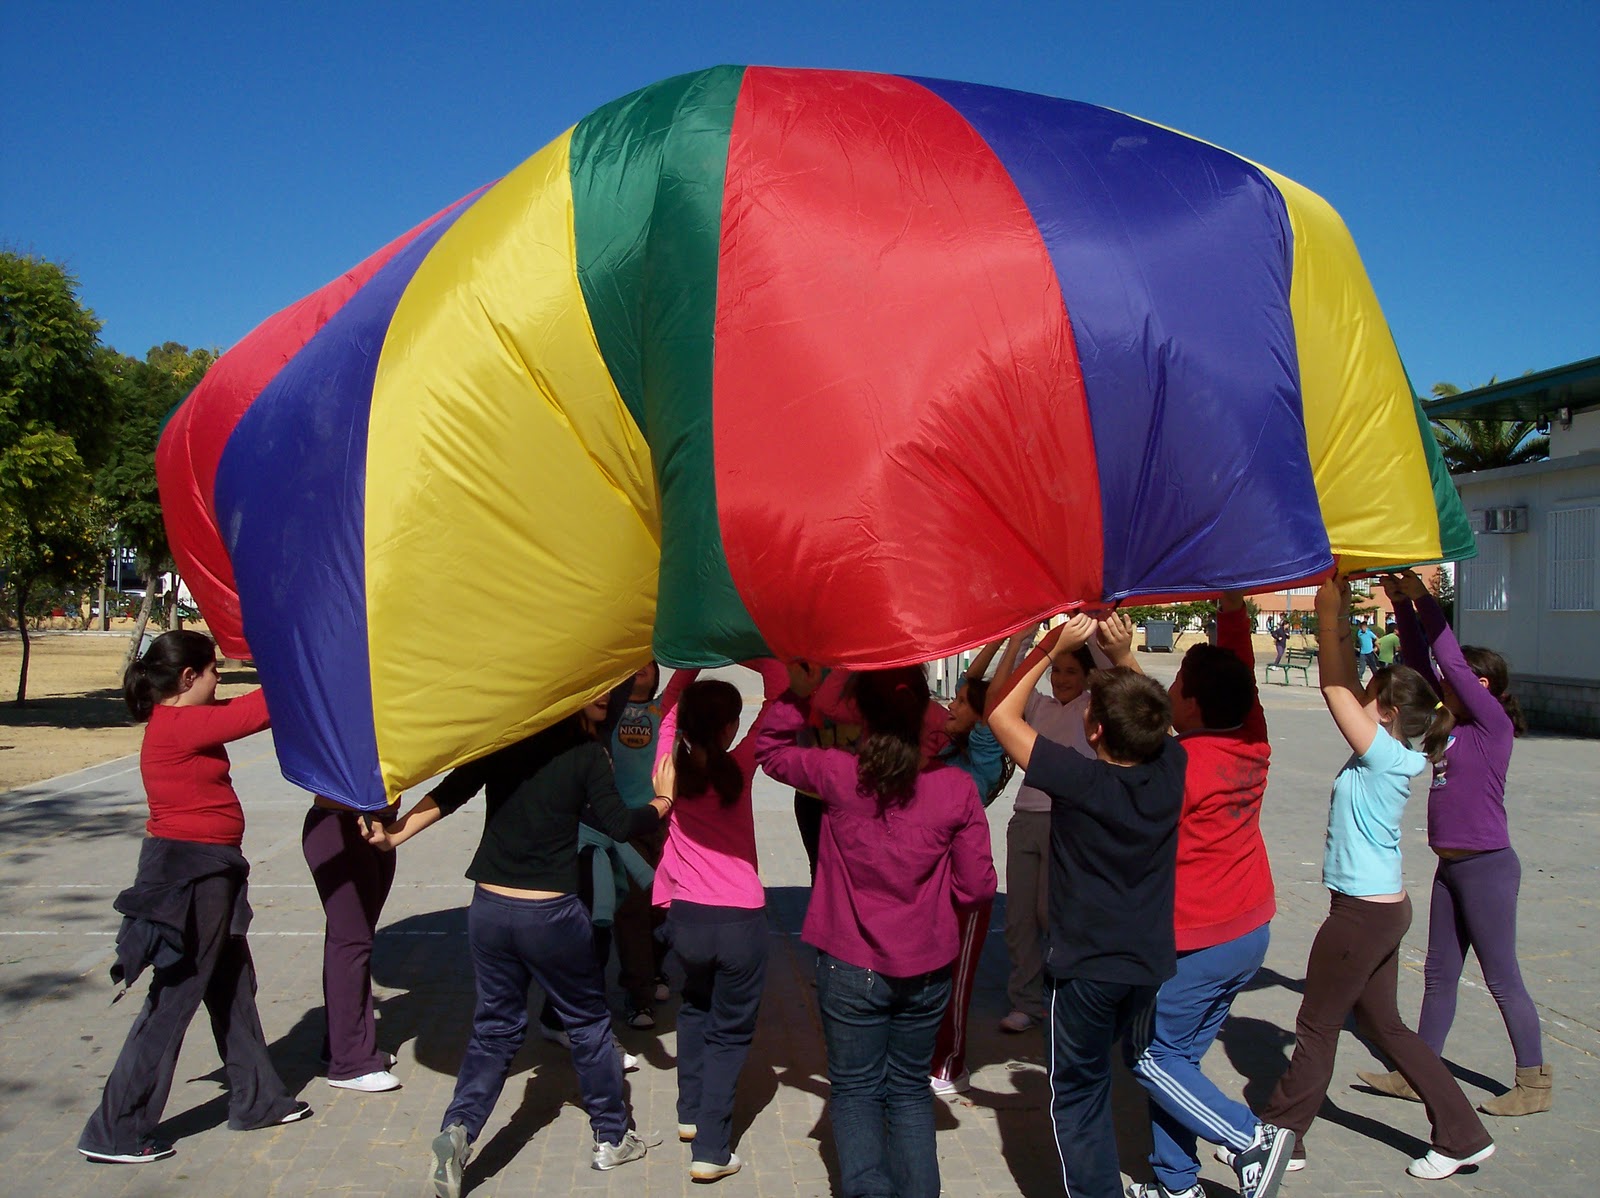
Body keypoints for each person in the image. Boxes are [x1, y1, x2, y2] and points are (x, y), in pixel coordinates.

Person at [362, 697, 672, 1194]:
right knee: (589, 1023)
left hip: (488, 907)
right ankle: (612, 1137)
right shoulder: (586, 753)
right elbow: (619, 823)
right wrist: (663, 801)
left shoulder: (505, 739)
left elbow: (452, 792)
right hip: (549, 913)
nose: (605, 698)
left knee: (494, 1030)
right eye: (596, 689)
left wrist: (394, 835)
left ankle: (458, 1129)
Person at [1255, 578, 1493, 1182]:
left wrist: (1327, 604)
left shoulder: (1382, 754)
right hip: (1383, 908)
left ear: (1385, 713)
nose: (1361, 698)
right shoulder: (1399, 753)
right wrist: (1335, 619)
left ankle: (1282, 1137)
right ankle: (1463, 1134)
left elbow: (1334, 684)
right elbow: (1348, 684)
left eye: (1373, 695)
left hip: (1361, 914)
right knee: (1384, 1025)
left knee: (1315, 1025)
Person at [756, 662, 996, 1198]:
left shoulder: (841, 774)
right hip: (928, 964)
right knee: (909, 1091)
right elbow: (978, 888)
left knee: (858, 1091)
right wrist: (934, 906)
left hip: (849, 964)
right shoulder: (954, 788)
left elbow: (769, 752)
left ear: (861, 711)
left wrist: (798, 695)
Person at [79, 632, 311, 1164]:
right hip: (191, 873)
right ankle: (116, 1130)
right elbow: (261, 710)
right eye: (213, 671)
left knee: (231, 985)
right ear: (189, 678)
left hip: (209, 868)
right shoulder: (179, 725)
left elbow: (245, 711)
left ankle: (258, 1099)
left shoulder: (185, 721)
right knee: (176, 994)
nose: (218, 678)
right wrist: (293, 651)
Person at [988, 614, 1186, 1198]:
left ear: (1093, 731)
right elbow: (1157, 722)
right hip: (1148, 963)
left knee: (1078, 1092)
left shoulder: (1081, 781)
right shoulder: (1173, 768)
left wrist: (1052, 646)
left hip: (1086, 968)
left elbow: (1001, 715)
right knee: (1137, 1063)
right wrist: (1123, 656)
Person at [1357, 572, 1550, 1116]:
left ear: (1482, 688)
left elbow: (1449, 664)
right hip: (1451, 868)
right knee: (1440, 974)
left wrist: (1426, 600)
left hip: (1488, 867)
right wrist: (1400, 606)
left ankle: (1534, 1083)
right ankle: (1415, 1073)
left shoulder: (1491, 726)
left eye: (1458, 681)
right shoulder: (1447, 727)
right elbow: (1422, 666)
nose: (1444, 685)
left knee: (1501, 976)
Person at [1123, 593, 1294, 1198]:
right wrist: (1231, 603)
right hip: (1248, 932)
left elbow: (1132, 728)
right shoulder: (1252, 738)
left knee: (1149, 1059)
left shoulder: (1177, 765)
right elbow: (1239, 670)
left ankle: (1251, 1140)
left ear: (1190, 703)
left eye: (1175, 686)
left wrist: (1120, 658)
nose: (1167, 692)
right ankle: (1176, 1184)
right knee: (1178, 1064)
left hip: (1199, 941)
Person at [651, 662, 787, 1182]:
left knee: (694, 1010)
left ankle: (689, 1115)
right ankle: (711, 1146)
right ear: (731, 727)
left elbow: (666, 707)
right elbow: (778, 699)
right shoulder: (743, 764)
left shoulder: (669, 769)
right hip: (740, 920)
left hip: (686, 918)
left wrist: (691, 657)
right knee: (729, 1034)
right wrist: (753, 652)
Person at [991, 624, 1101, 1034]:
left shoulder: (1093, 705)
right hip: (1026, 819)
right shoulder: (1039, 707)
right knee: (1019, 917)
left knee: (1050, 913)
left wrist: (1086, 627)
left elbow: (1110, 670)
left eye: (1071, 672)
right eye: (1058, 672)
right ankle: (1026, 1001)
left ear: (1087, 677)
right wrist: (1022, 641)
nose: (1062, 680)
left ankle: (1063, 998)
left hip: (1068, 821)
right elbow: (1004, 693)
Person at [928, 640, 1010, 1094]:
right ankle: (932, 1052)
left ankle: (950, 1064)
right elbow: (971, 679)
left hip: (967, 884)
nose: (952, 704)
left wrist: (1019, 639)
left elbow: (990, 693)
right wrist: (996, 636)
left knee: (956, 982)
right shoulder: (955, 746)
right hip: (940, 878)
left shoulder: (984, 747)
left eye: (961, 703)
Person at [302, 793, 399, 1092]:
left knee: (353, 938)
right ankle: (351, 1064)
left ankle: (342, 1044)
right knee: (351, 942)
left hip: (376, 824)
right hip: (341, 825)